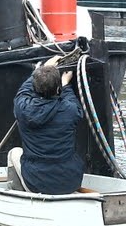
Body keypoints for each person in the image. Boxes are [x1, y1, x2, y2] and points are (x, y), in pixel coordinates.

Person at [12, 55, 84, 194]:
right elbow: (71, 101)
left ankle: (20, 195)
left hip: (36, 183)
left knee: (14, 153)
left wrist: (40, 70)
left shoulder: (22, 108)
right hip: (70, 181)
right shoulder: (71, 110)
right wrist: (66, 84)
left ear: (35, 87)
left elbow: (24, 91)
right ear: (58, 89)